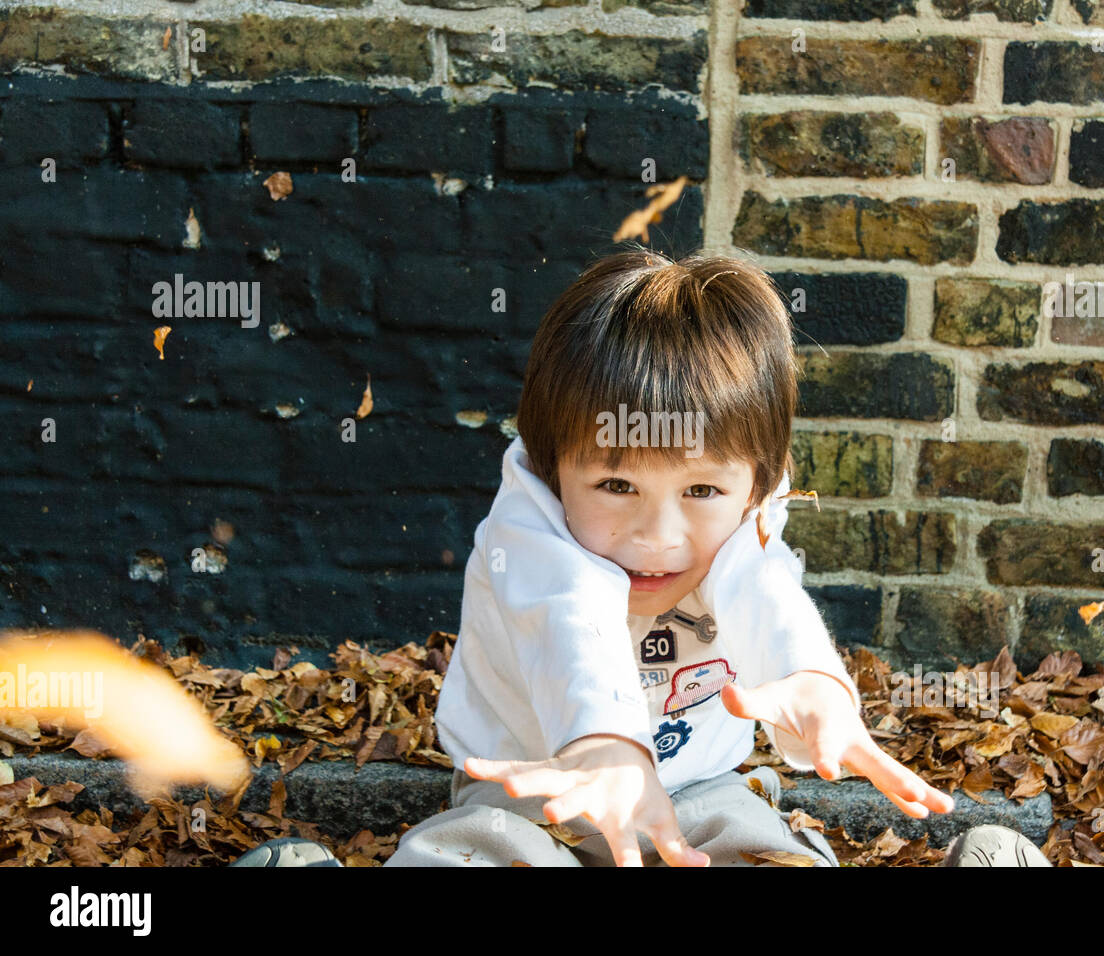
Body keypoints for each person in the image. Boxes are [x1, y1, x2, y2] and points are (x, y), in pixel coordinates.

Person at [233, 249, 1050, 868]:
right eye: (617, 484)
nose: (659, 538)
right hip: (532, 798)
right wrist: (607, 753)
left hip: (699, 793)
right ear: (555, 467)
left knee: (760, 848)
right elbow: (568, 626)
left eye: (700, 491)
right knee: (474, 852)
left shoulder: (744, 528)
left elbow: (767, 596)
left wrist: (813, 683)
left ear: (757, 483)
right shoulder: (530, 537)